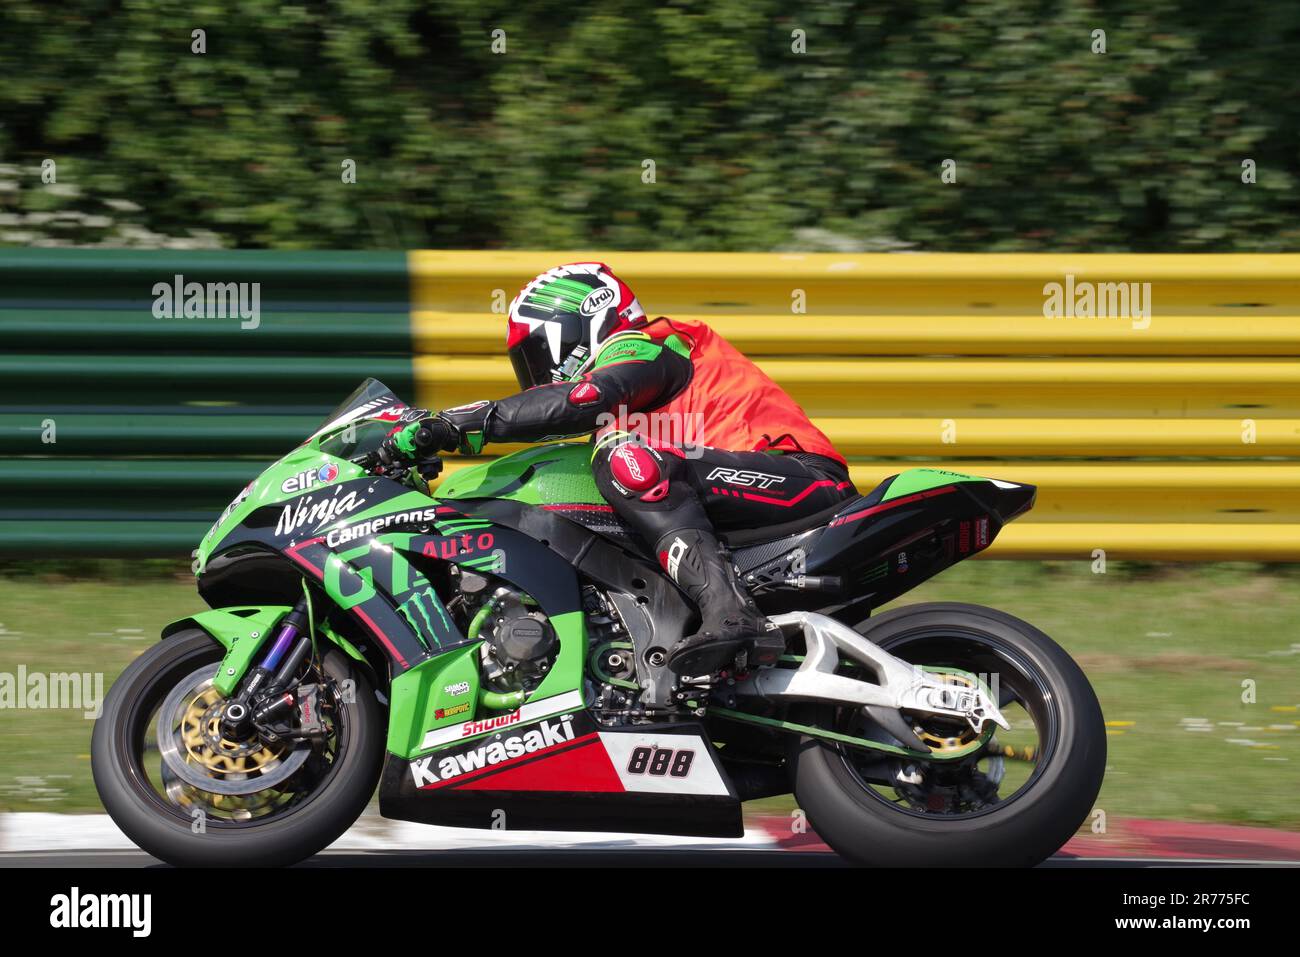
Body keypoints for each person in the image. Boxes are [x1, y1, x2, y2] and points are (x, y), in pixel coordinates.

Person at [383, 262, 856, 677]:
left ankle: (730, 611)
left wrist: (460, 425)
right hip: (730, 494)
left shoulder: (649, 344)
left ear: (577, 323)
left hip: (800, 479)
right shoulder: (627, 410)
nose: (535, 374)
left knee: (622, 456)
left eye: (535, 354)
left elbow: (587, 397)